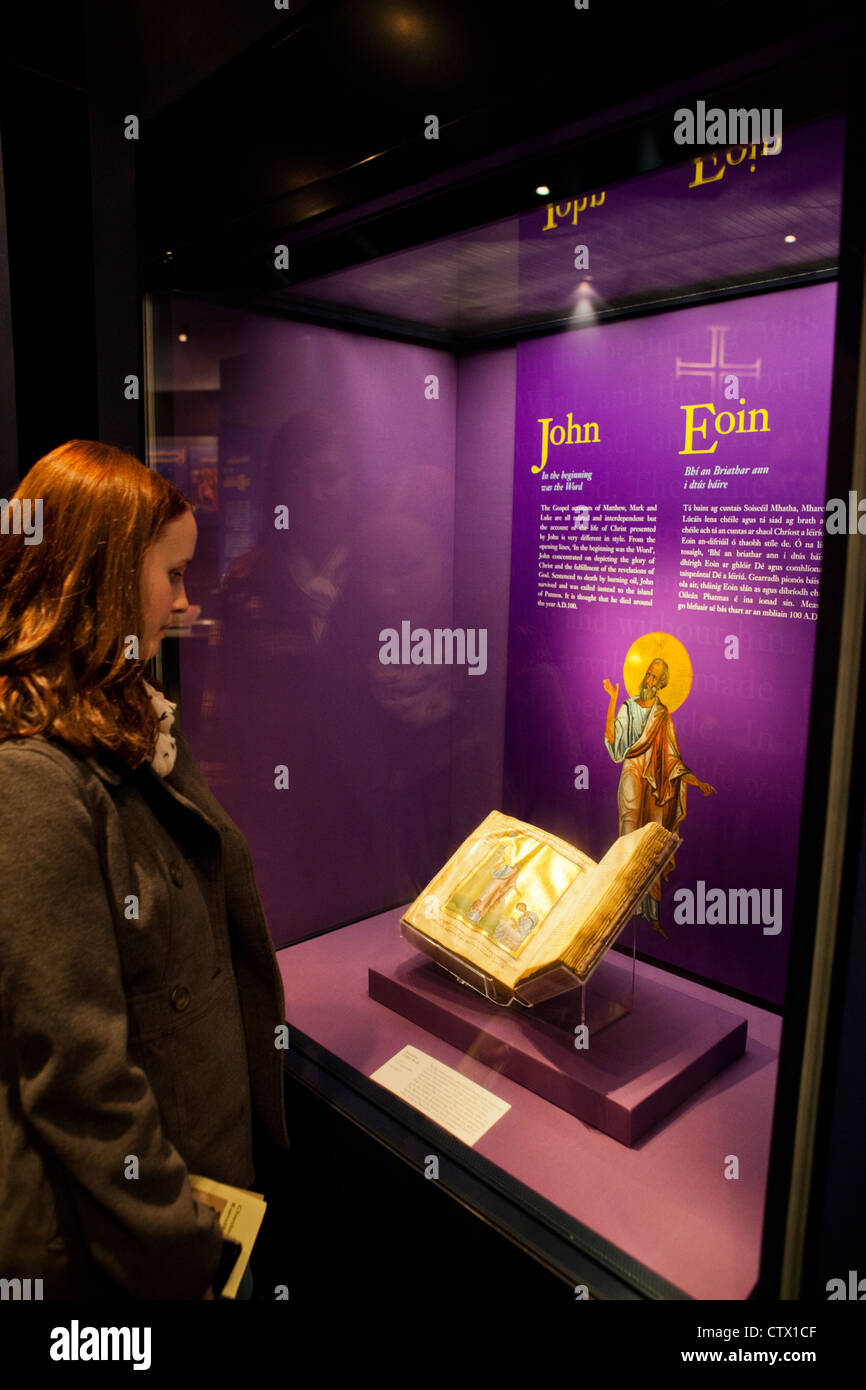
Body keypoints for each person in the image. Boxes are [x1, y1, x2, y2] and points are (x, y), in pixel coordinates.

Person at [0, 440, 290, 1300]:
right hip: (125, 1255)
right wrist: (181, 1247)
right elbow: (80, 1080)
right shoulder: (32, 779)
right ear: (99, 580)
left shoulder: (128, 722)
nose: (187, 602)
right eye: (172, 575)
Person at [603, 657, 716, 936]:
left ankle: (651, 914)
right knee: (628, 835)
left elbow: (673, 759)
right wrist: (612, 701)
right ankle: (620, 906)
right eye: (647, 675)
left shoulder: (662, 716)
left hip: (655, 787)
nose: (648, 681)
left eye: (655, 678)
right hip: (632, 776)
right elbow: (613, 743)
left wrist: (696, 781)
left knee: (651, 842)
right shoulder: (628, 707)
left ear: (662, 684)